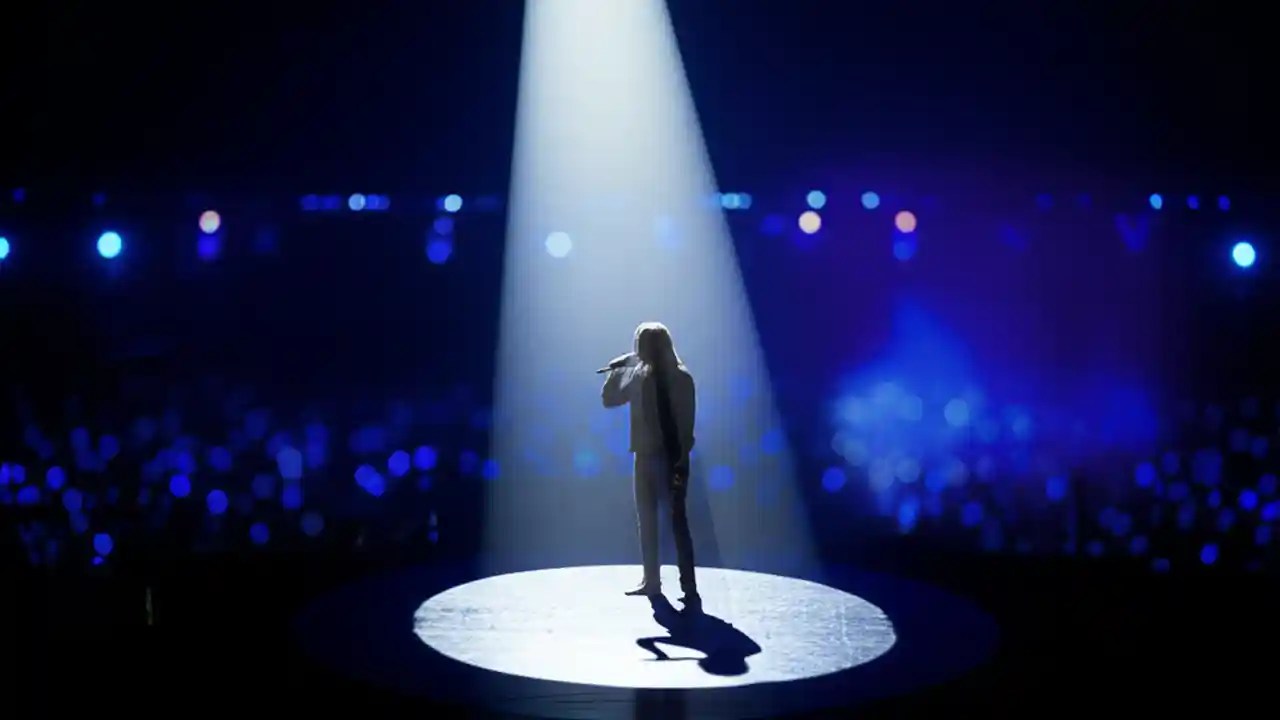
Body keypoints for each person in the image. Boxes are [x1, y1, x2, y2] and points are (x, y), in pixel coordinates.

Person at [601, 322, 699, 610]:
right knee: (649, 520)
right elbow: (609, 401)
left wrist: (681, 456)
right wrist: (616, 370)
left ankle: (688, 586)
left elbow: (686, 421)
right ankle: (652, 581)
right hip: (645, 456)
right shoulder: (639, 377)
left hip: (670, 457)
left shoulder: (680, 379)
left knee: (676, 522)